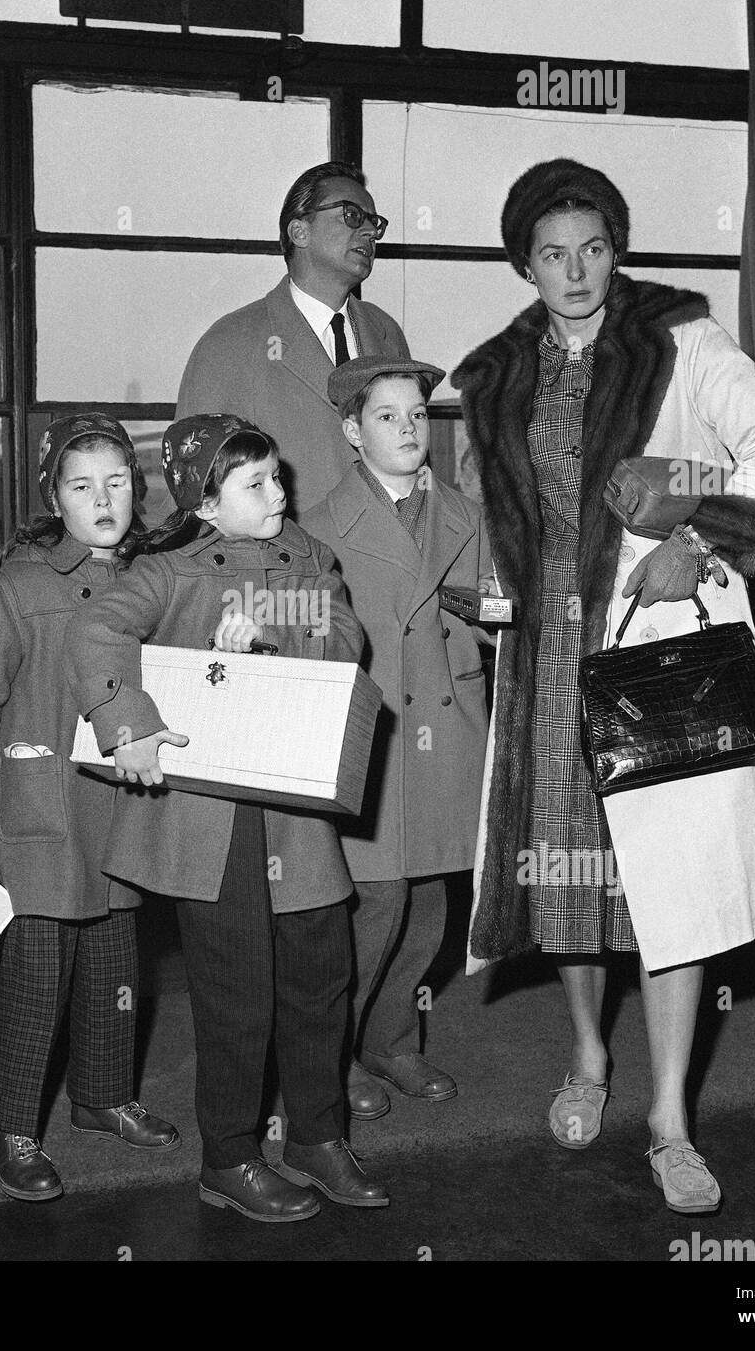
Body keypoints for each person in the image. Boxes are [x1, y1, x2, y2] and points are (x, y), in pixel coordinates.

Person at [453, 160, 755, 1214]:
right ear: (522, 263)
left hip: (660, 644)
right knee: (570, 879)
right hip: (546, 655)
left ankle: (668, 1117)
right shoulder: (501, 371)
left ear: (618, 251)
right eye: (551, 253)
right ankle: (586, 1055)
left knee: (675, 888)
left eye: (595, 249)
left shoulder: (684, 343)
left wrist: (701, 535)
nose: (576, 271)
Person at [68, 414, 389, 1222]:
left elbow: (348, 637)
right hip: (208, 825)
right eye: (257, 484)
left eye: (277, 476)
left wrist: (276, 633)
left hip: (295, 810)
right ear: (206, 505)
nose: (280, 491)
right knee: (236, 991)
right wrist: (128, 723)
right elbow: (96, 631)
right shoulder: (166, 572)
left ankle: (317, 1137)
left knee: (322, 970)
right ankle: (231, 1157)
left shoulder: (309, 559)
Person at [0, 414, 179, 1202]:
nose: (103, 499)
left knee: (117, 958)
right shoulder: (17, 584)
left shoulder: (156, 578)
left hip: (123, 801)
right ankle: (10, 1127)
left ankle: (103, 1096)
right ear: (55, 496)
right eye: (82, 486)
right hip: (40, 800)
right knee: (39, 970)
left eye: (117, 481)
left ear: (135, 490)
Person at [302, 356, 492, 1120]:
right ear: (352, 431)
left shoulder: (466, 514)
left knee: (431, 908)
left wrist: (490, 610)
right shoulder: (317, 529)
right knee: (372, 905)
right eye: (387, 416)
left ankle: (392, 1043)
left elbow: (495, 607)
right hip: (376, 741)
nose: (409, 429)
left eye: (417, 415)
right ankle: (332, 1052)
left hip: (446, 732)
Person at [176, 161, 410, 517]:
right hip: (284, 566)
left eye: (374, 223)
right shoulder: (227, 345)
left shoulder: (386, 333)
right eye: (352, 215)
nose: (369, 232)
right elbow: (194, 489)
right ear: (299, 231)